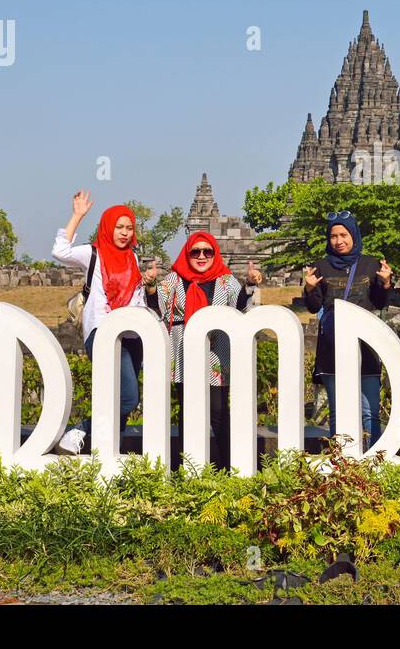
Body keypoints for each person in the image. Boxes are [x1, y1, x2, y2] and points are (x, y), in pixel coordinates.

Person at [51, 190, 159, 455]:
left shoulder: (133, 258)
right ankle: (78, 430)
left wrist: (148, 286)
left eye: (129, 228)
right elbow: (60, 251)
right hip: (103, 330)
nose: (124, 232)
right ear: (108, 227)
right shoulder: (93, 253)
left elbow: (135, 299)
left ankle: (109, 453)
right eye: (119, 227)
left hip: (132, 334)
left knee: (119, 396)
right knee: (129, 397)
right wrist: (77, 216)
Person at [149, 231, 263, 471]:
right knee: (187, 409)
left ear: (214, 254)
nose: (201, 256)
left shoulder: (225, 280)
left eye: (207, 252)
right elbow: (156, 306)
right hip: (183, 351)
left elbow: (240, 305)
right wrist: (149, 287)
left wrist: (250, 284)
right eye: (195, 252)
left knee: (219, 411)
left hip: (216, 352)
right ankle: (187, 467)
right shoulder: (174, 280)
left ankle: (227, 466)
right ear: (187, 254)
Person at [303, 212, 393, 447]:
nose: (338, 240)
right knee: (338, 411)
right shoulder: (321, 266)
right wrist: (310, 288)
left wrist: (385, 284)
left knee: (369, 410)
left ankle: (374, 459)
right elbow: (313, 308)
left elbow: (379, 302)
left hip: (366, 346)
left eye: (343, 234)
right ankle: (340, 463)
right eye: (333, 236)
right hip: (333, 347)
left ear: (354, 235)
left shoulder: (370, 264)